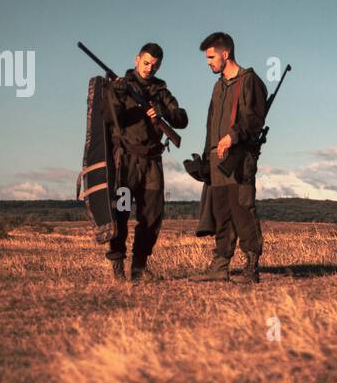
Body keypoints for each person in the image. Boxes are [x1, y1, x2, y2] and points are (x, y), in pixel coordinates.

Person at [105, 42, 188, 283]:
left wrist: (160, 112)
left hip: (152, 162)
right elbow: (110, 119)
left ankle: (139, 266)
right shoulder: (119, 86)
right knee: (120, 213)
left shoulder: (160, 91)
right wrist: (117, 96)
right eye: (146, 63)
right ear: (136, 60)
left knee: (152, 215)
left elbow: (182, 119)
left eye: (154, 65)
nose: (149, 68)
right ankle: (118, 266)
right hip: (126, 162)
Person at [194, 32, 267, 283]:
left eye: (211, 56)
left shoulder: (250, 81)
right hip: (217, 161)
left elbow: (255, 120)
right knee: (222, 212)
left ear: (226, 54)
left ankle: (251, 266)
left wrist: (232, 136)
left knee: (243, 209)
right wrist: (206, 158)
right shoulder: (218, 86)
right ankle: (220, 265)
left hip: (239, 159)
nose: (208, 62)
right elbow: (210, 123)